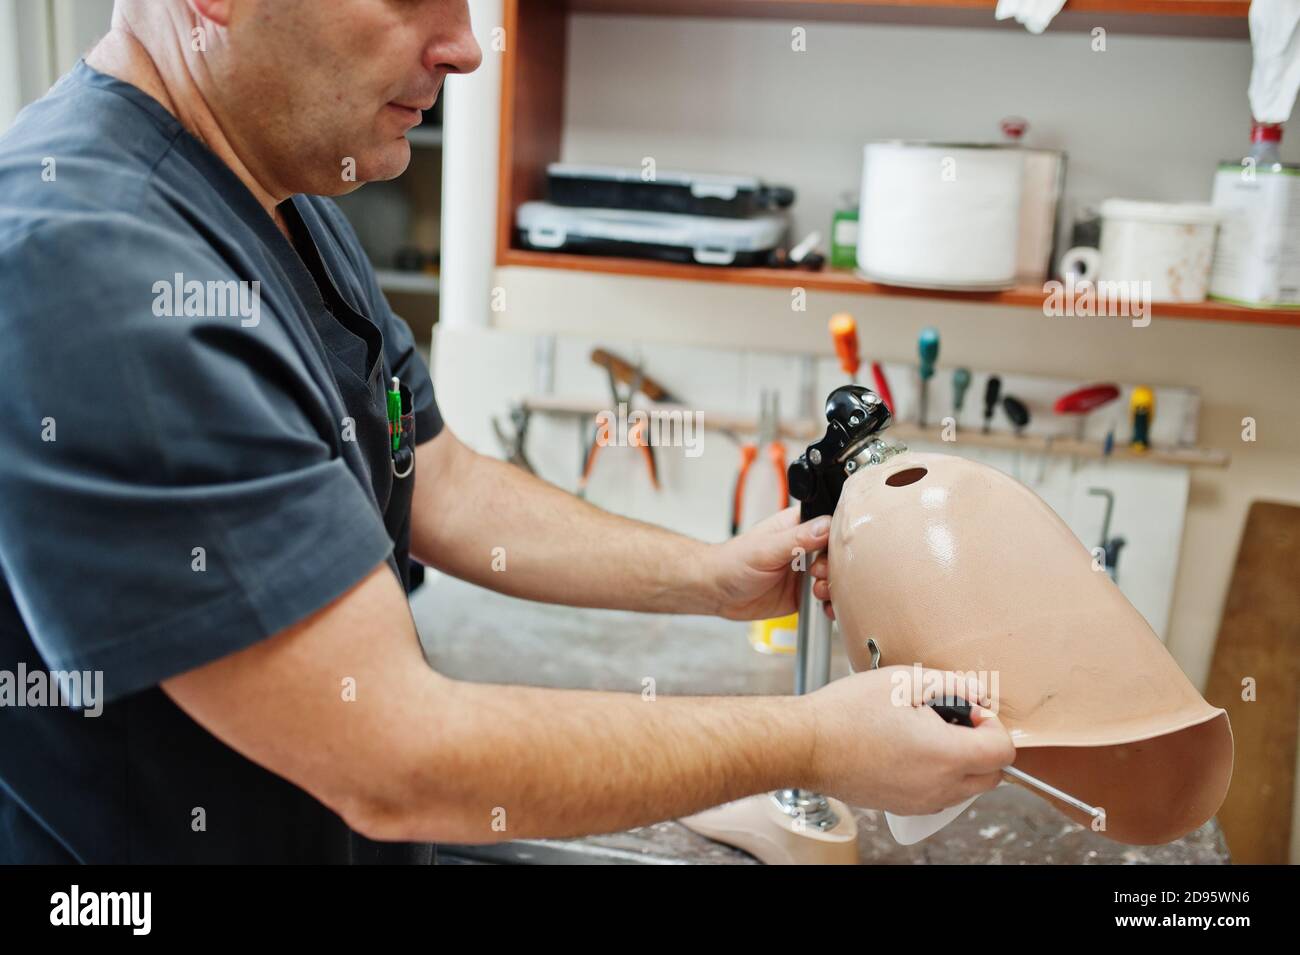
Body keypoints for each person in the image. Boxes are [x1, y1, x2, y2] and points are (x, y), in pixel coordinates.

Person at [0, 0, 1013, 863]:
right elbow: (396, 755)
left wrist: (707, 576)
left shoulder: (278, 194)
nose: (467, 45)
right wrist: (810, 741)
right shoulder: (94, 266)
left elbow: (434, 475)